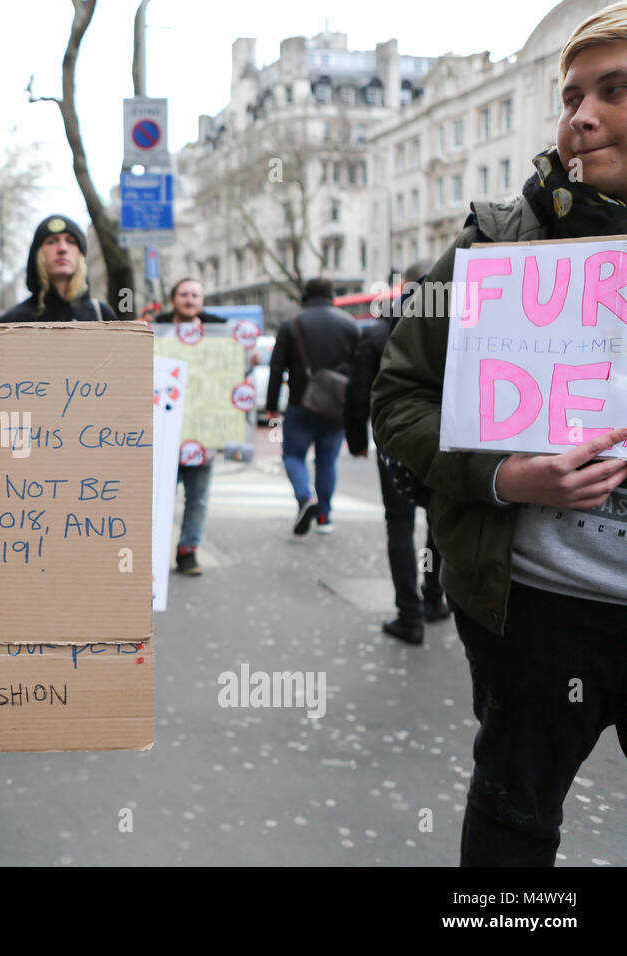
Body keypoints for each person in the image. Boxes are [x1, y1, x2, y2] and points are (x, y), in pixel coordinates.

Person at [373, 2, 627, 866]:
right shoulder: (495, 242)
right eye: (571, 95)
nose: (582, 115)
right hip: (537, 612)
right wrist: (507, 477)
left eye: (615, 90)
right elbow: (398, 401)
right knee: (514, 825)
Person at [344, 262, 447, 645]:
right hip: (444, 438)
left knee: (399, 526)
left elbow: (359, 392)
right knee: (438, 521)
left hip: (396, 443)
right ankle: (434, 597)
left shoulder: (381, 329)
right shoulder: (458, 320)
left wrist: (356, 439)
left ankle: (409, 615)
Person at [267, 277, 358, 536]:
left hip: (301, 404)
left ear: (305, 295)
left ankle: (305, 498)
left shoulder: (291, 324)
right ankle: (324, 516)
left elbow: (277, 368)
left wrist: (272, 405)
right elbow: (360, 369)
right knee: (327, 461)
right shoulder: (349, 324)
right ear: (333, 294)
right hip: (337, 408)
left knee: (293, 456)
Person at [156, 277, 226, 575]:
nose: (189, 299)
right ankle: (154, 553)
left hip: (203, 429)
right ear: (173, 300)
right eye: (183, 294)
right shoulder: (155, 331)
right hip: (164, 428)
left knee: (197, 497)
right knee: (160, 496)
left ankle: (188, 552)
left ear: (202, 300)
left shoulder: (219, 333)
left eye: (195, 294)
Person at [0, 215, 119, 323]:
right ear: (38, 254)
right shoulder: (13, 322)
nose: (62, 248)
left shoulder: (101, 315)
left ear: (80, 254)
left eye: (71, 241)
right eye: (51, 242)